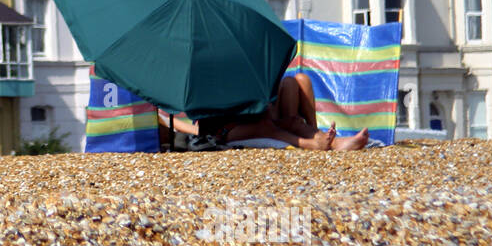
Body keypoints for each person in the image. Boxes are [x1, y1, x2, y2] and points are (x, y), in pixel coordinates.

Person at [158, 72, 369, 151]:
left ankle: (321, 135)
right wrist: (166, 120)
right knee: (267, 126)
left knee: (298, 80)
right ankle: (315, 142)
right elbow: (195, 130)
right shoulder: (204, 80)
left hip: (255, 117)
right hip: (227, 129)